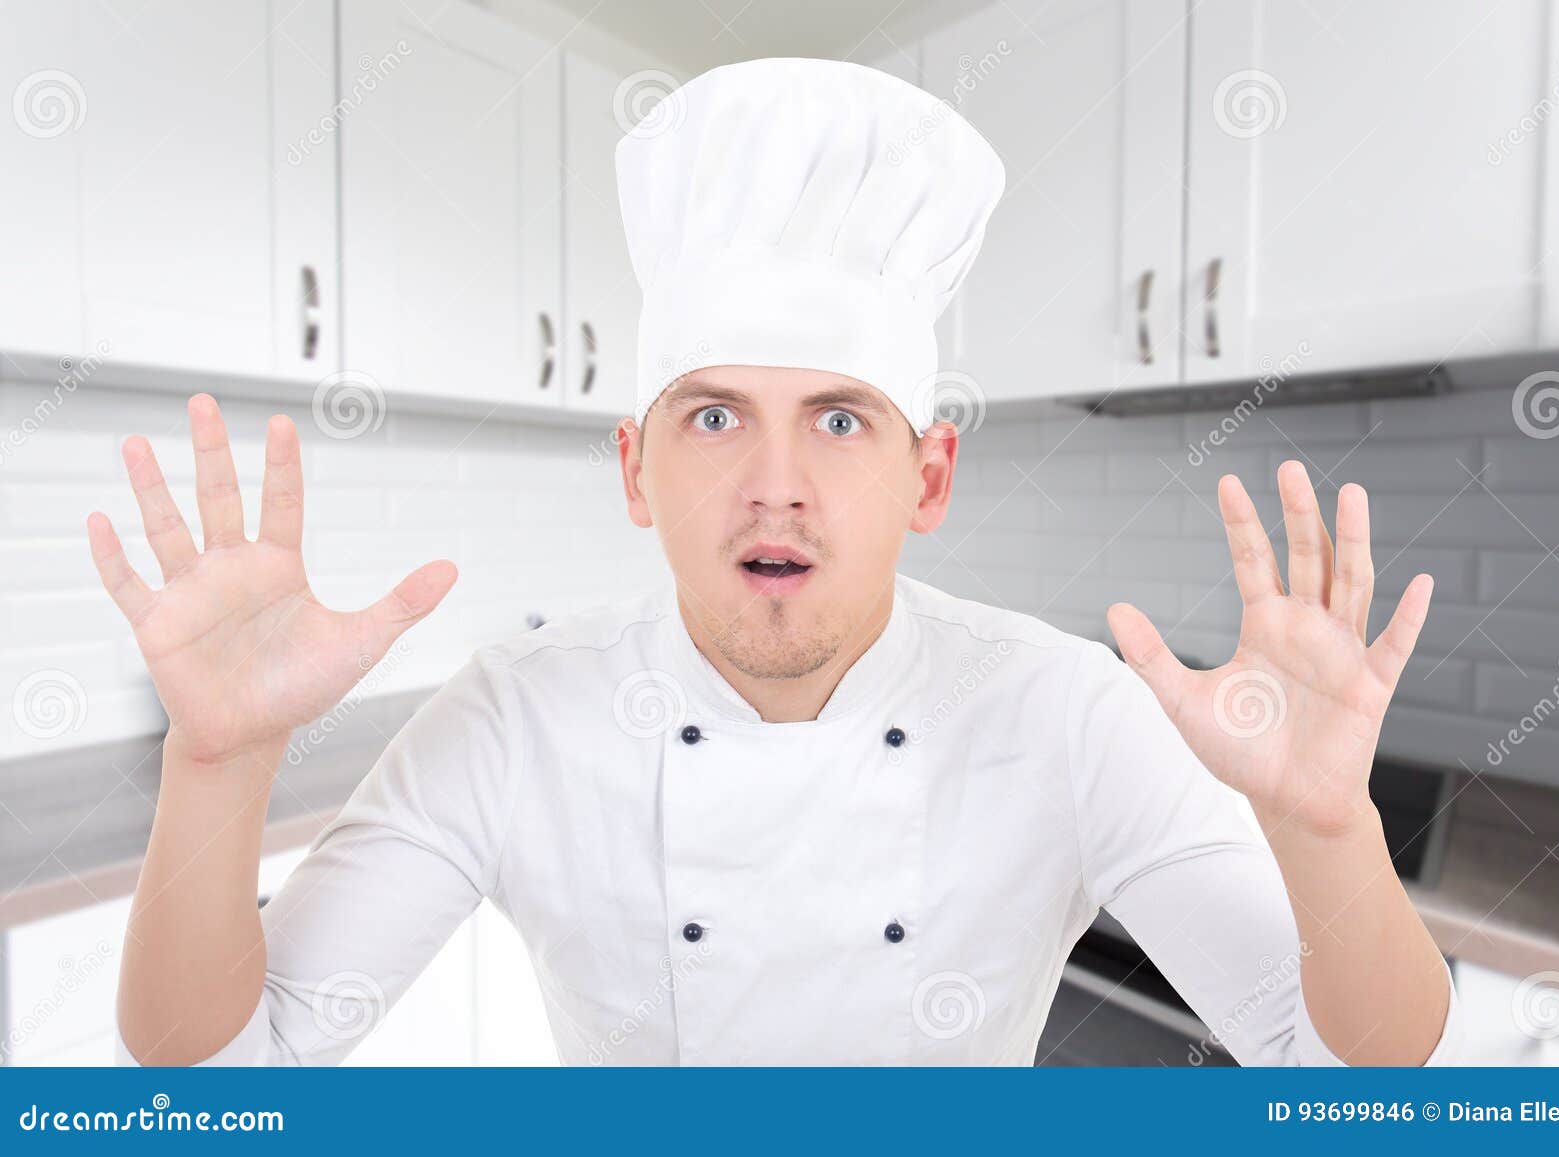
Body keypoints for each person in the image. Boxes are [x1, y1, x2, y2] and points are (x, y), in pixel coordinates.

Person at [96, 58, 1459, 1066]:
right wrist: (216, 769)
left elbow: (1348, 1068)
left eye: (841, 419)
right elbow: (218, 1069)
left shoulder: (1064, 708)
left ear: (926, 477)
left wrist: (1330, 830)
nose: (776, 485)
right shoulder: (517, 714)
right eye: (713, 415)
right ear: (639, 468)